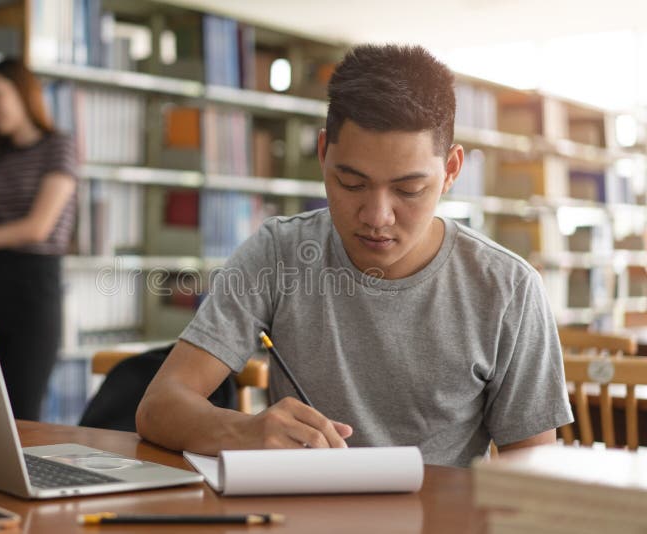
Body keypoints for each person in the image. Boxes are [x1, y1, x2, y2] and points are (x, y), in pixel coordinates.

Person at [136, 44, 574, 467]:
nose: (376, 216)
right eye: (351, 183)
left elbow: (534, 477)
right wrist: (243, 432)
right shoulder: (279, 254)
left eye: (408, 189)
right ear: (324, 154)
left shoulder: (508, 288)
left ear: (451, 171)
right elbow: (158, 407)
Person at [0, 59, 78, 421]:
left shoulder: (59, 147)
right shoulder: (2, 159)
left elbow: (38, 228)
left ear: (24, 93)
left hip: (36, 287)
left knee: (23, 412)